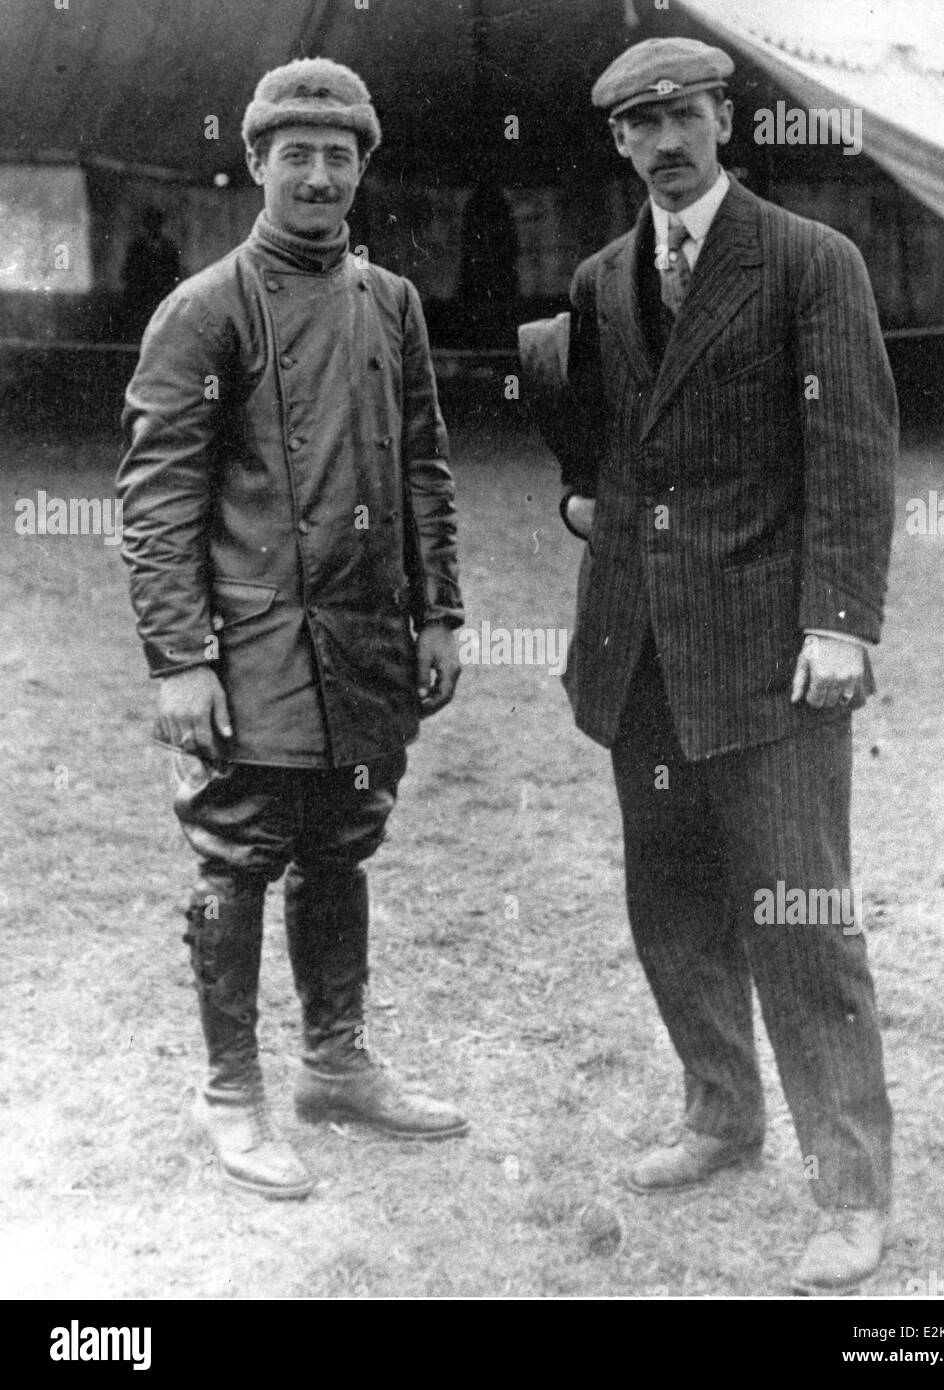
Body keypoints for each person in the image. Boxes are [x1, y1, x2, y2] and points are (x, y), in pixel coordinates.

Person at [552, 38, 898, 1293]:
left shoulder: (811, 262)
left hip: (770, 660)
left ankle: (851, 1190)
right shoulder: (601, 280)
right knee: (673, 908)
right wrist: (583, 508)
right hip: (640, 656)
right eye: (639, 123)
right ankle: (717, 1112)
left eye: (684, 114)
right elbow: (598, 450)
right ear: (618, 142)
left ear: (723, 117)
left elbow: (853, 454)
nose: (665, 140)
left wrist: (840, 622)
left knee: (799, 925)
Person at [117, 58, 468, 1201]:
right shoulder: (205, 308)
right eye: (296, 154)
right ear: (259, 163)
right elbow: (158, 500)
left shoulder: (392, 304)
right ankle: (232, 1093)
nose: (318, 175)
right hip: (252, 648)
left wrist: (441, 610)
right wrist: (180, 661)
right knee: (238, 856)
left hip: (367, 646)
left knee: (342, 844)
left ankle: (334, 1062)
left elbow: (423, 468)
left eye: (339, 155)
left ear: (361, 168)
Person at [121, 204, 182, 339]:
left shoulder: (169, 248)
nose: (154, 227)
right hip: (140, 302)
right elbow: (127, 274)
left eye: (157, 223)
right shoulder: (136, 248)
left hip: (161, 300)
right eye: (150, 223)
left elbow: (174, 274)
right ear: (146, 225)